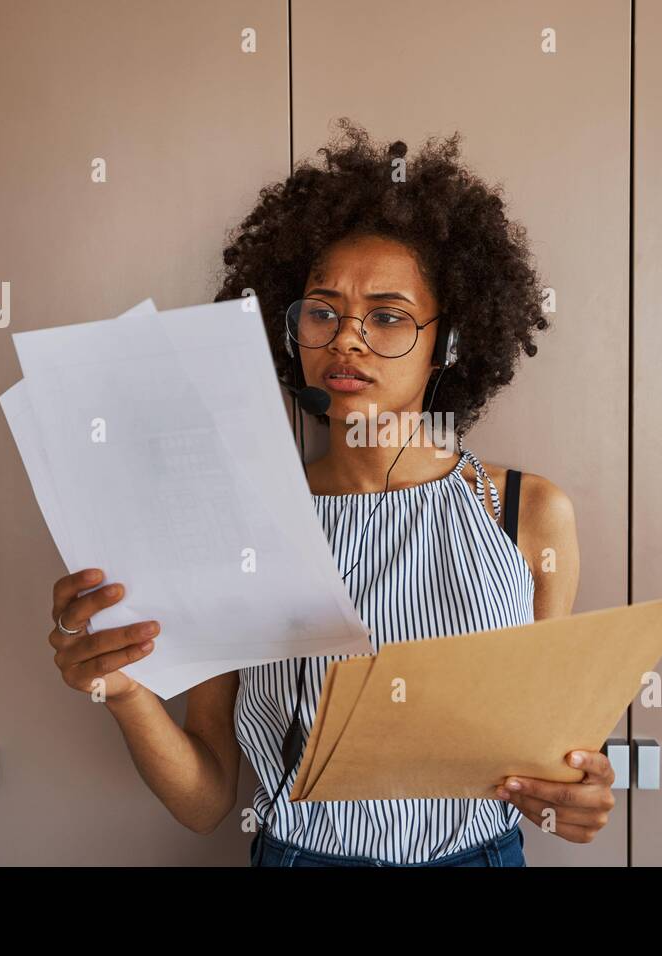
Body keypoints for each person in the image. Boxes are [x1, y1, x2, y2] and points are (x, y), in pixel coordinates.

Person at [48, 119, 613, 866]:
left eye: (387, 316)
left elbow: (557, 763)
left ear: (449, 341)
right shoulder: (239, 520)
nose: (346, 339)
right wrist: (124, 694)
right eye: (322, 311)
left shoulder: (528, 517)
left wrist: (583, 793)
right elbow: (207, 799)